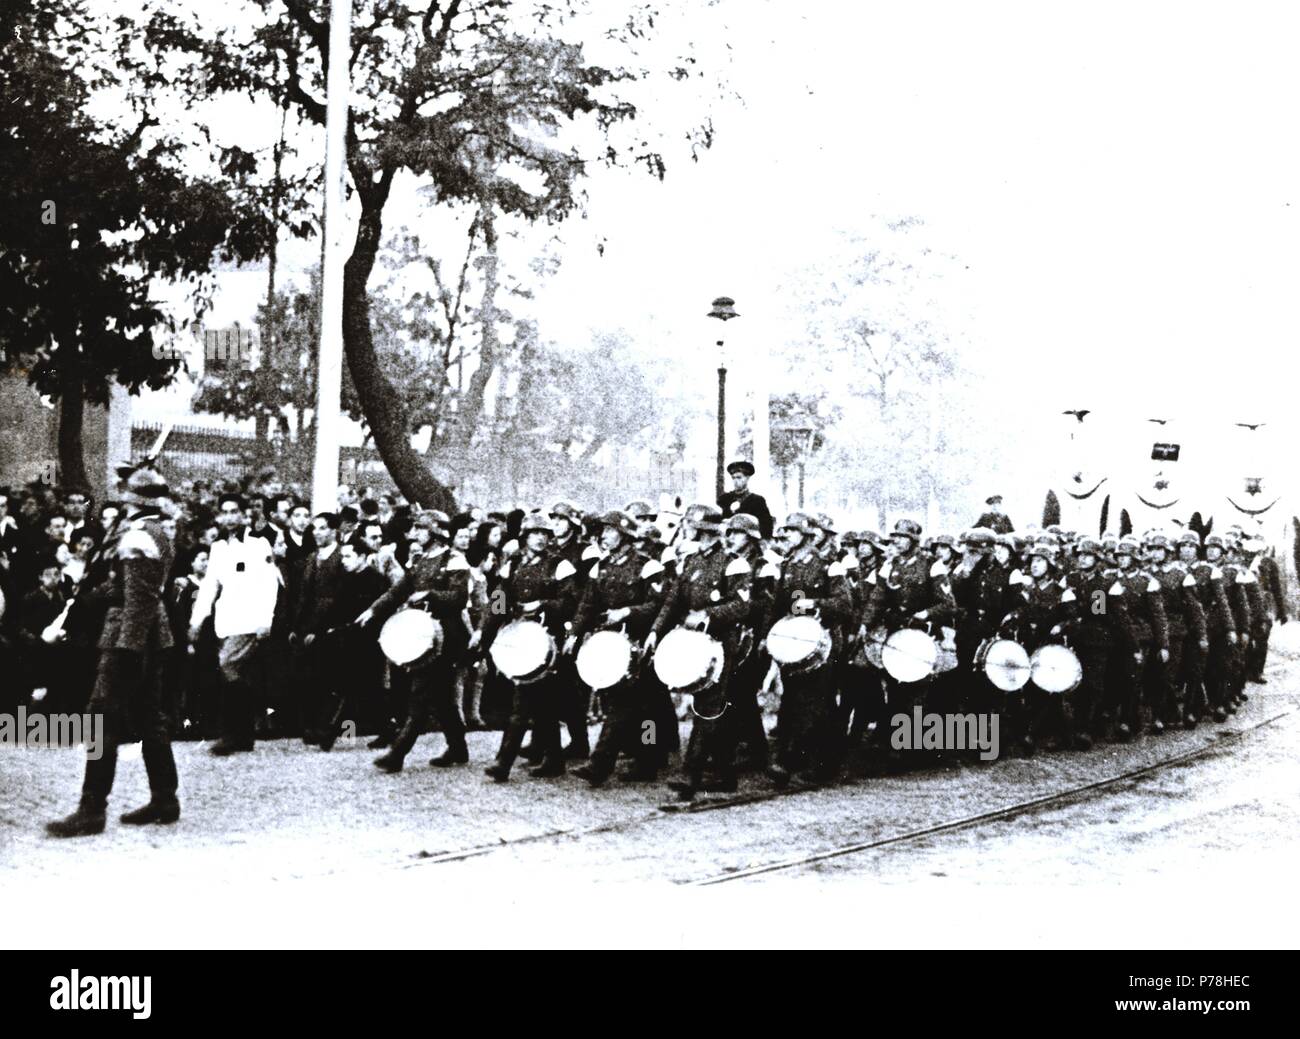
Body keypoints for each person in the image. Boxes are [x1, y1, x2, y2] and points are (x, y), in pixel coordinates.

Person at [46, 463, 180, 837]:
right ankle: (165, 798)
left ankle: (92, 808)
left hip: (128, 635)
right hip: (151, 633)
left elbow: (138, 599)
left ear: (131, 498)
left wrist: (127, 648)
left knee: (99, 716)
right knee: (149, 716)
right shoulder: (153, 531)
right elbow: (127, 587)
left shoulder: (138, 536)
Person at [188, 492, 281, 755]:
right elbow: (210, 585)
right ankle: (244, 733)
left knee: (227, 665)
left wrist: (265, 620)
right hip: (226, 620)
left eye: (234, 511)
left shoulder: (258, 544)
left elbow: (269, 584)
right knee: (235, 673)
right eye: (224, 512)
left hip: (250, 620)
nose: (229, 517)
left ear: (243, 514)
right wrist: (197, 619)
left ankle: (232, 734)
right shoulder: (218, 548)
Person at [717, 460, 774, 540]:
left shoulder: (757, 501)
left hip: (749, 543)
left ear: (747, 478)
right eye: (733, 478)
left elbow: (766, 527)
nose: (736, 481)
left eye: (739, 477)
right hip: (726, 541)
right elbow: (717, 522)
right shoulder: (724, 499)